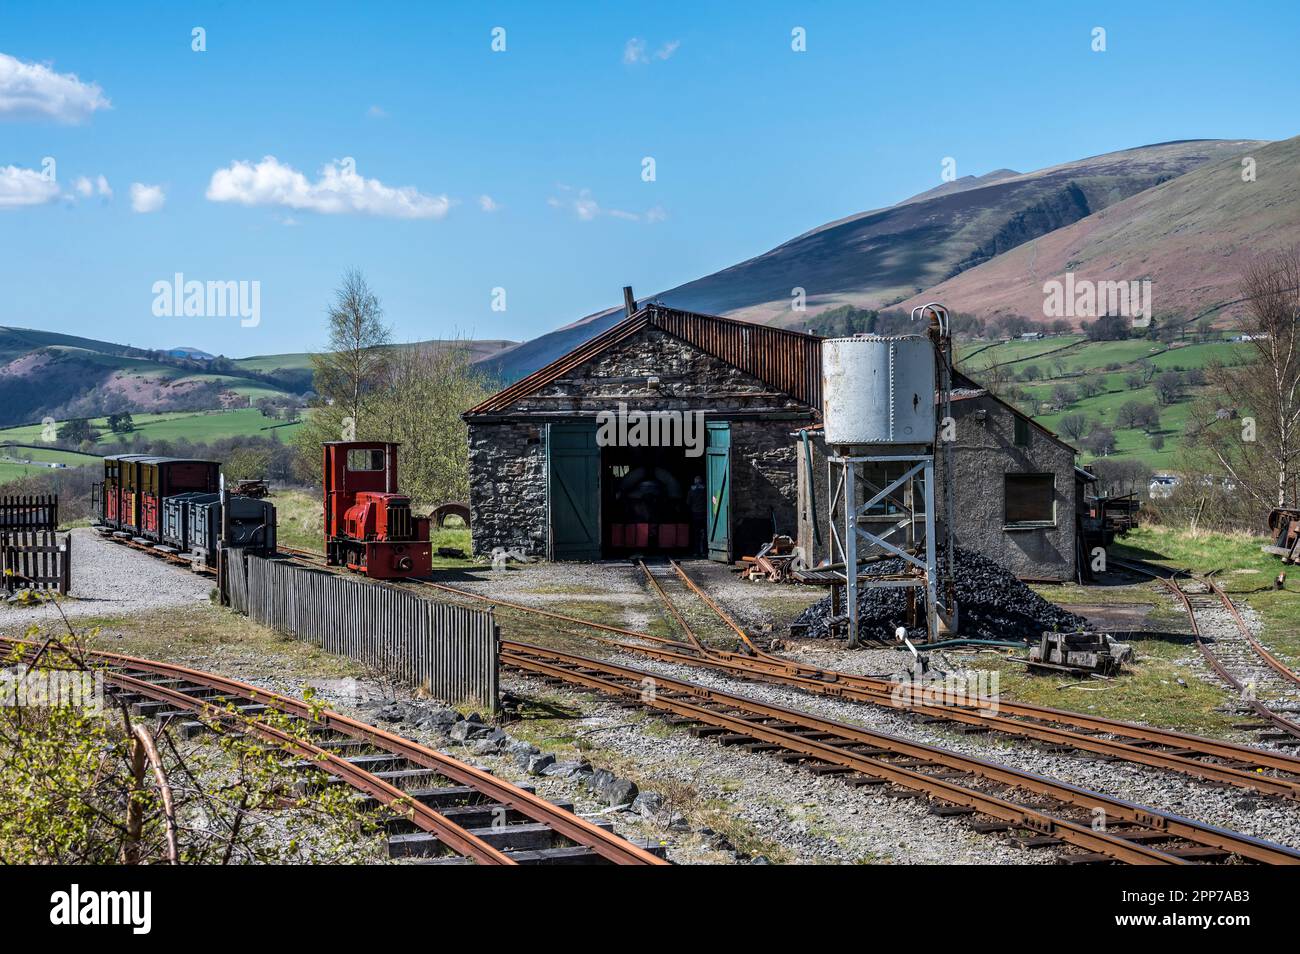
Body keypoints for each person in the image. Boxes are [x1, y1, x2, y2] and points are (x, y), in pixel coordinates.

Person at [687, 475, 707, 557]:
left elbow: (688, 502)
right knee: (704, 533)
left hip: (695, 514)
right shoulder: (705, 490)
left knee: (696, 533)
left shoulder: (691, 491)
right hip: (704, 513)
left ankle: (696, 551)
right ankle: (704, 551)